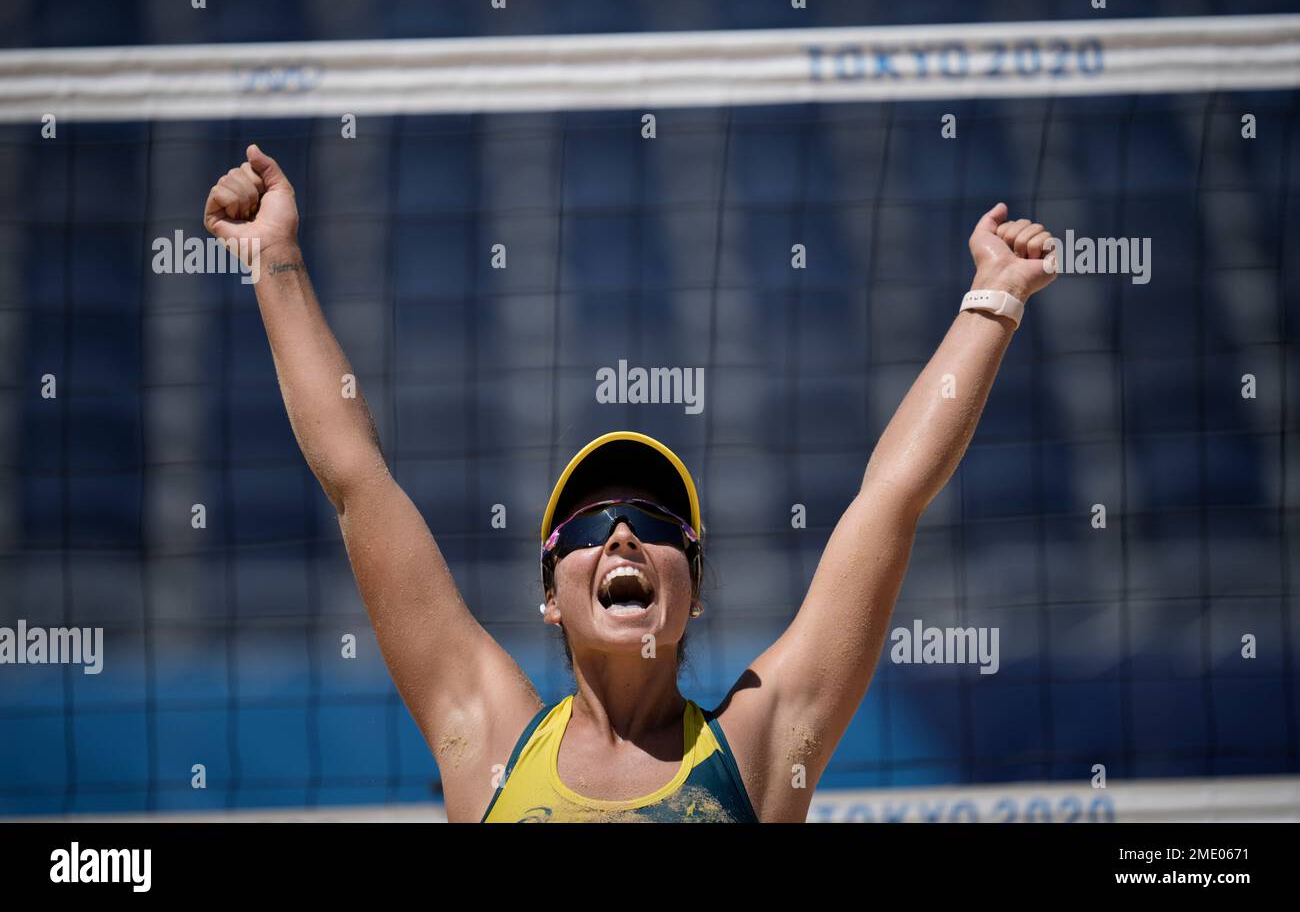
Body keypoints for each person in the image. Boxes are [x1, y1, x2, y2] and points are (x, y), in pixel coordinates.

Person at [204, 144, 1059, 822]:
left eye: (653, 522)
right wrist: (274, 260)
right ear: (549, 595)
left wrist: (993, 299)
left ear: (693, 591)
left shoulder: (757, 748)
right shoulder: (486, 732)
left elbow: (890, 500)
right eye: (585, 527)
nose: (619, 534)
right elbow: (358, 480)